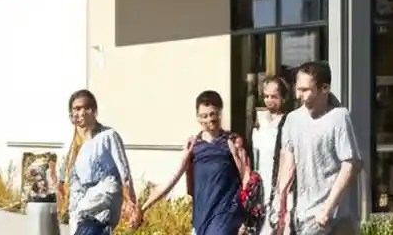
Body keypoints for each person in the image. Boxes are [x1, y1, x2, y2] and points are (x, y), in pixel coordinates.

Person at [141, 91, 255, 235]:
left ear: (219, 113)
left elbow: (247, 178)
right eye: (204, 116)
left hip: (226, 215)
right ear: (197, 117)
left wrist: (246, 216)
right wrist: (144, 207)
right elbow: (173, 178)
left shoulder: (232, 142)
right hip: (201, 216)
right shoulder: (194, 146)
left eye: (212, 114)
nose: (209, 119)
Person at [273, 61, 362, 235]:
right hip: (306, 216)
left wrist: (327, 209)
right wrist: (279, 205)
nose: (299, 95)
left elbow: (350, 165)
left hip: (336, 217)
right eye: (298, 89)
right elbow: (287, 167)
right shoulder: (292, 120)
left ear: (324, 88)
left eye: (305, 90)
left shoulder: (339, 117)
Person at [59, 89, 142, 235]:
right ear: (71, 114)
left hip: (102, 203)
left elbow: (124, 171)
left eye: (87, 107)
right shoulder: (72, 143)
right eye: (77, 109)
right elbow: (63, 174)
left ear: (95, 111)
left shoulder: (108, 136)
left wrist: (131, 201)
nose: (82, 112)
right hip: (79, 209)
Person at [253, 77, 294, 232]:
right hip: (260, 187)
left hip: (279, 186)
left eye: (274, 96)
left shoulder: (288, 122)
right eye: (266, 96)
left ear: (283, 97)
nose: (269, 100)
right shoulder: (259, 121)